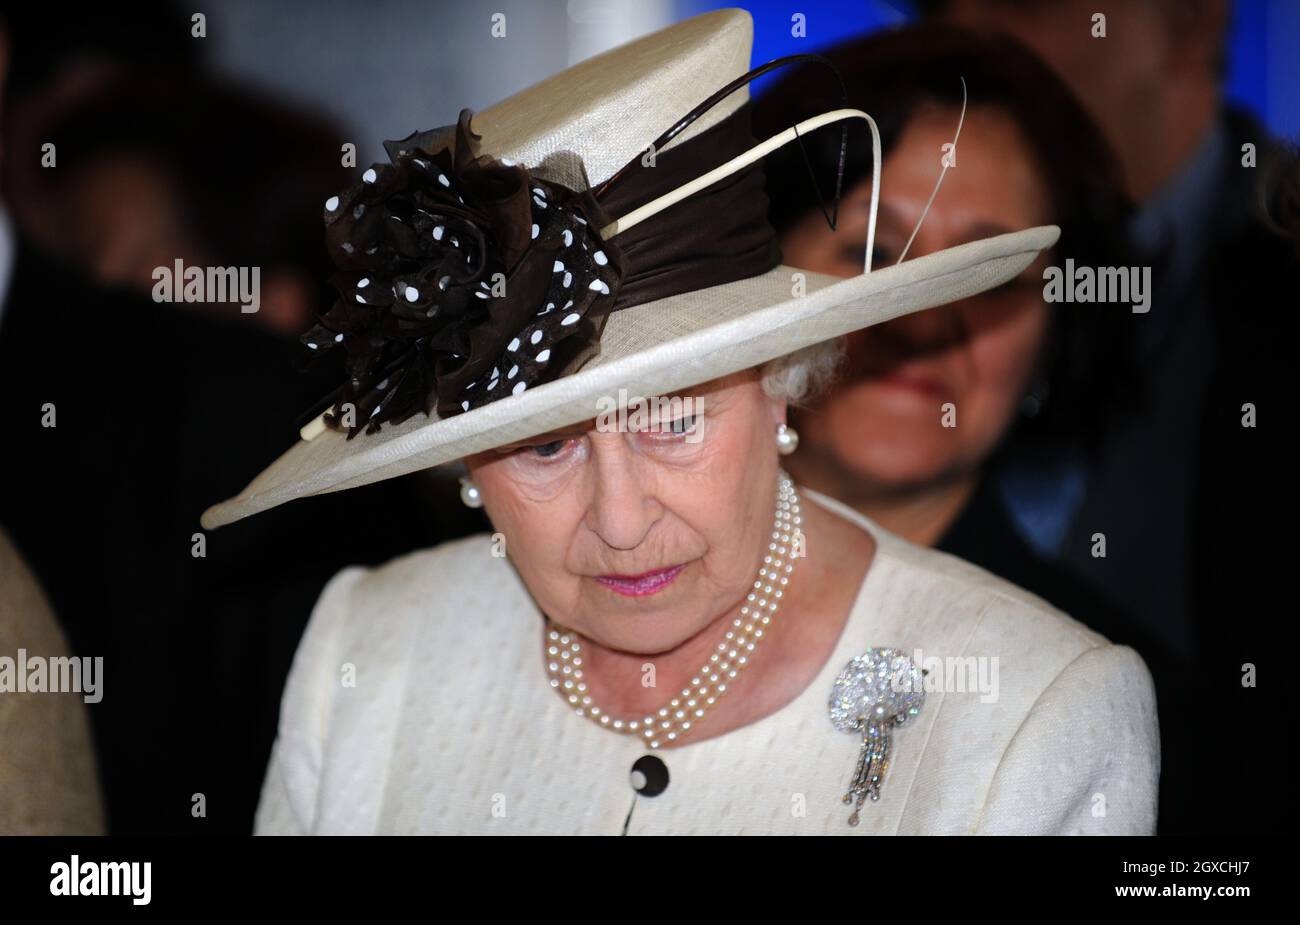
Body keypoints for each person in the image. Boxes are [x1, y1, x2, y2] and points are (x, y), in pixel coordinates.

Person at [202, 11, 1157, 835]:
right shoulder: (365, 653)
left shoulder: (1035, 707)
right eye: (544, 443)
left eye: (672, 421)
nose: (620, 522)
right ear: (463, 461)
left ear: (784, 382)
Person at [755, 26, 1140, 648]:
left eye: (987, 275)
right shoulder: (607, 612)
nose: (921, 321)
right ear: (754, 275)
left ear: (1053, 343)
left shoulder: (1106, 686)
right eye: (873, 252)